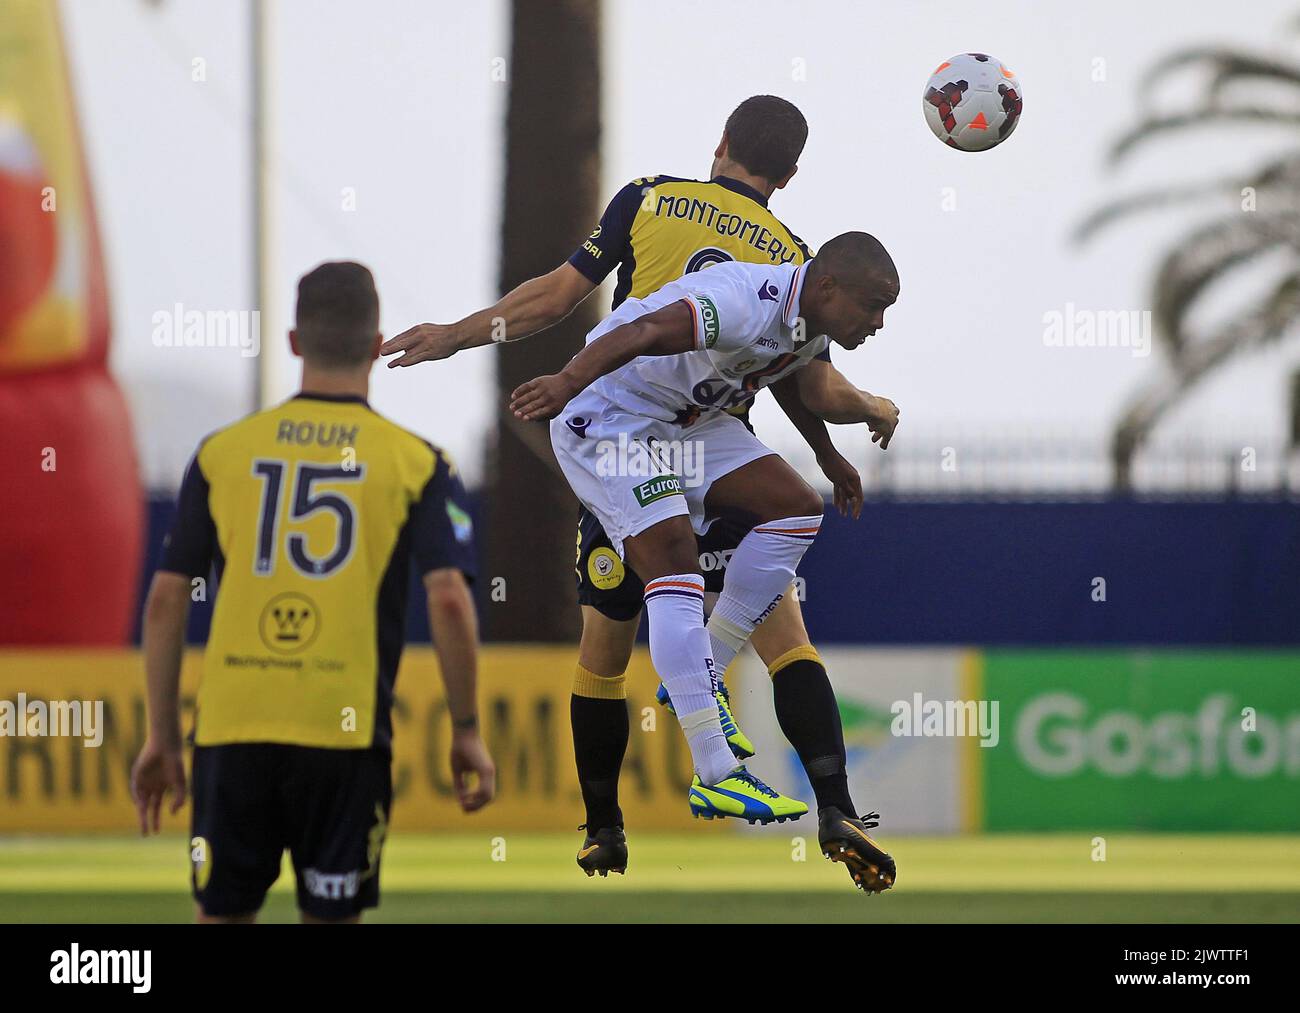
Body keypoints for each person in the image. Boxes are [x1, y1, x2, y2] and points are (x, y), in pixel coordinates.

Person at [382, 96, 899, 892]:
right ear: (790, 176)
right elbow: (804, 379)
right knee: (786, 639)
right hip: (639, 423)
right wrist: (861, 419)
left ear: (720, 143)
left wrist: (458, 333)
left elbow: (555, 298)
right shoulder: (792, 256)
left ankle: (602, 824)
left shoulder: (650, 197)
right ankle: (831, 803)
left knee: (607, 642)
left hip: (676, 438)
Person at [512, 232, 900, 892]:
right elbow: (650, 329)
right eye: (874, 305)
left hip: (682, 424)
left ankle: (706, 665)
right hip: (604, 417)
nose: (878, 322)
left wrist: (831, 454)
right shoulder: (745, 301)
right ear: (830, 287)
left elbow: (799, 387)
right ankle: (717, 771)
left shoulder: (807, 319)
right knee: (674, 562)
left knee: (796, 507)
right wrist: (566, 379)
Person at [130, 261, 496, 923]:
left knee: (221, 912)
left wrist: (161, 737)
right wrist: (465, 727)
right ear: (376, 343)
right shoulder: (416, 461)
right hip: (342, 732)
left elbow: (164, 599)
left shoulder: (221, 452)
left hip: (232, 726)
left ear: (295, 341)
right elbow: (448, 598)